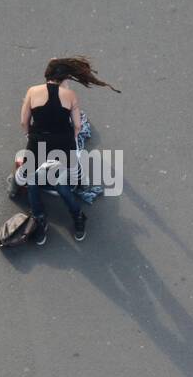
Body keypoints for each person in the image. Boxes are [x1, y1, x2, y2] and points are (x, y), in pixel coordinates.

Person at [19, 56, 119, 246]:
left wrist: (29, 136)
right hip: (63, 143)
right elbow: (78, 125)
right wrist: (71, 141)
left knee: (32, 181)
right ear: (65, 78)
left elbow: (24, 122)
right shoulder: (70, 96)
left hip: (38, 141)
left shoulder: (32, 91)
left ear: (46, 74)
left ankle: (40, 219)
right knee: (62, 184)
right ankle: (78, 217)